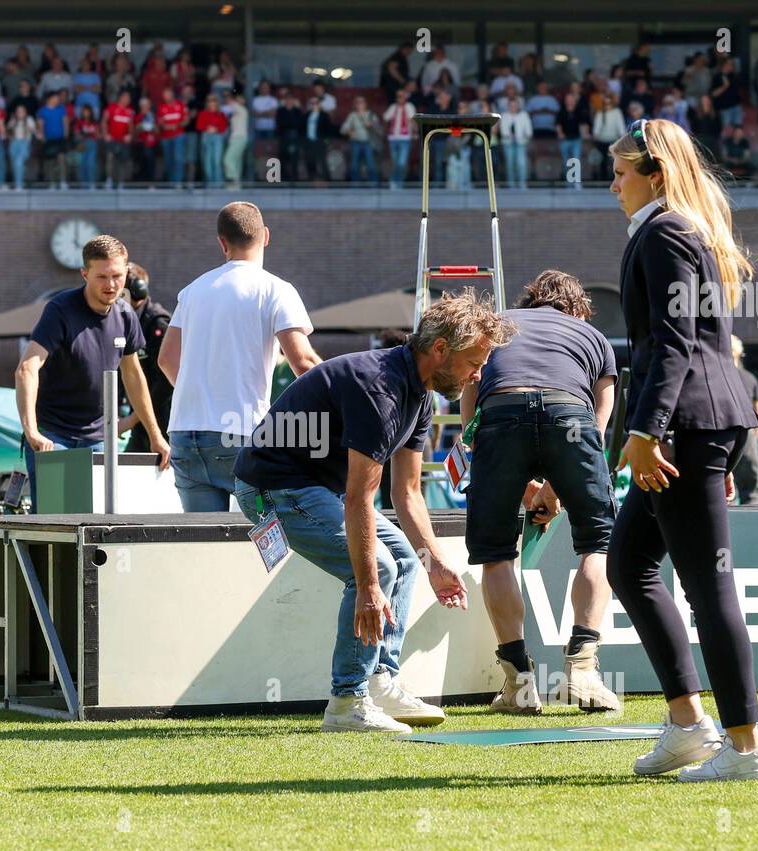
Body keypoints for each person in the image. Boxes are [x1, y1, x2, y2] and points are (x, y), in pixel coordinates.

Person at [233, 289, 513, 733]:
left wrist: (436, 563)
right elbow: (362, 497)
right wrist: (366, 587)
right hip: (272, 489)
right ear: (440, 349)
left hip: (315, 487)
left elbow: (407, 493)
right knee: (378, 569)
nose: (477, 376)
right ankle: (347, 702)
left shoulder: (420, 394)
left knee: (405, 558)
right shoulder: (378, 388)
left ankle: (379, 679)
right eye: (474, 363)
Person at [606, 118, 758, 782]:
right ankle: (687, 724)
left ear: (655, 174)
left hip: (685, 427)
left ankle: (745, 748)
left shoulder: (666, 230)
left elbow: (672, 342)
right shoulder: (677, 228)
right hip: (702, 425)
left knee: (707, 588)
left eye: (620, 173)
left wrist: (646, 434)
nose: (611, 185)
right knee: (629, 564)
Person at [460, 271, 621, 715]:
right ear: (577, 308)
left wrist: (485, 447)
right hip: (570, 415)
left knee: (496, 553)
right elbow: (599, 412)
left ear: (529, 301)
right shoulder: (590, 335)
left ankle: (518, 683)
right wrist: (559, 483)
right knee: (598, 543)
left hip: (500, 413)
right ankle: (583, 673)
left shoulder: (497, 323)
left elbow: (471, 391)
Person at [158, 202, 321, 511]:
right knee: (269, 538)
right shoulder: (276, 289)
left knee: (205, 541)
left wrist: (202, 392)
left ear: (222, 242)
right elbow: (304, 363)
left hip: (184, 431)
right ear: (266, 236)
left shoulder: (192, 290)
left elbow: (166, 358)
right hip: (241, 432)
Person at [14, 235, 170, 508]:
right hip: (53, 436)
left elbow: (133, 376)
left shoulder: (125, 314)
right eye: (101, 277)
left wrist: (155, 435)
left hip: (99, 438)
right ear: (84, 274)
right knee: (54, 519)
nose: (111, 285)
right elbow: (27, 368)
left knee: (101, 520)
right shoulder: (60, 311)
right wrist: (32, 431)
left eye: (117, 276)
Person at [119, 263, 174, 454]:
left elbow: (166, 383)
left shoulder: (158, 324)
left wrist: (130, 420)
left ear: (137, 290)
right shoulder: (124, 321)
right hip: (141, 424)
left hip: (166, 425)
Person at [730, 336, 758, 505]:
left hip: (722, 431)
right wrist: (753, 438)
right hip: (747, 433)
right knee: (750, 489)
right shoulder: (749, 378)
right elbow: (757, 412)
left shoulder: (717, 376)